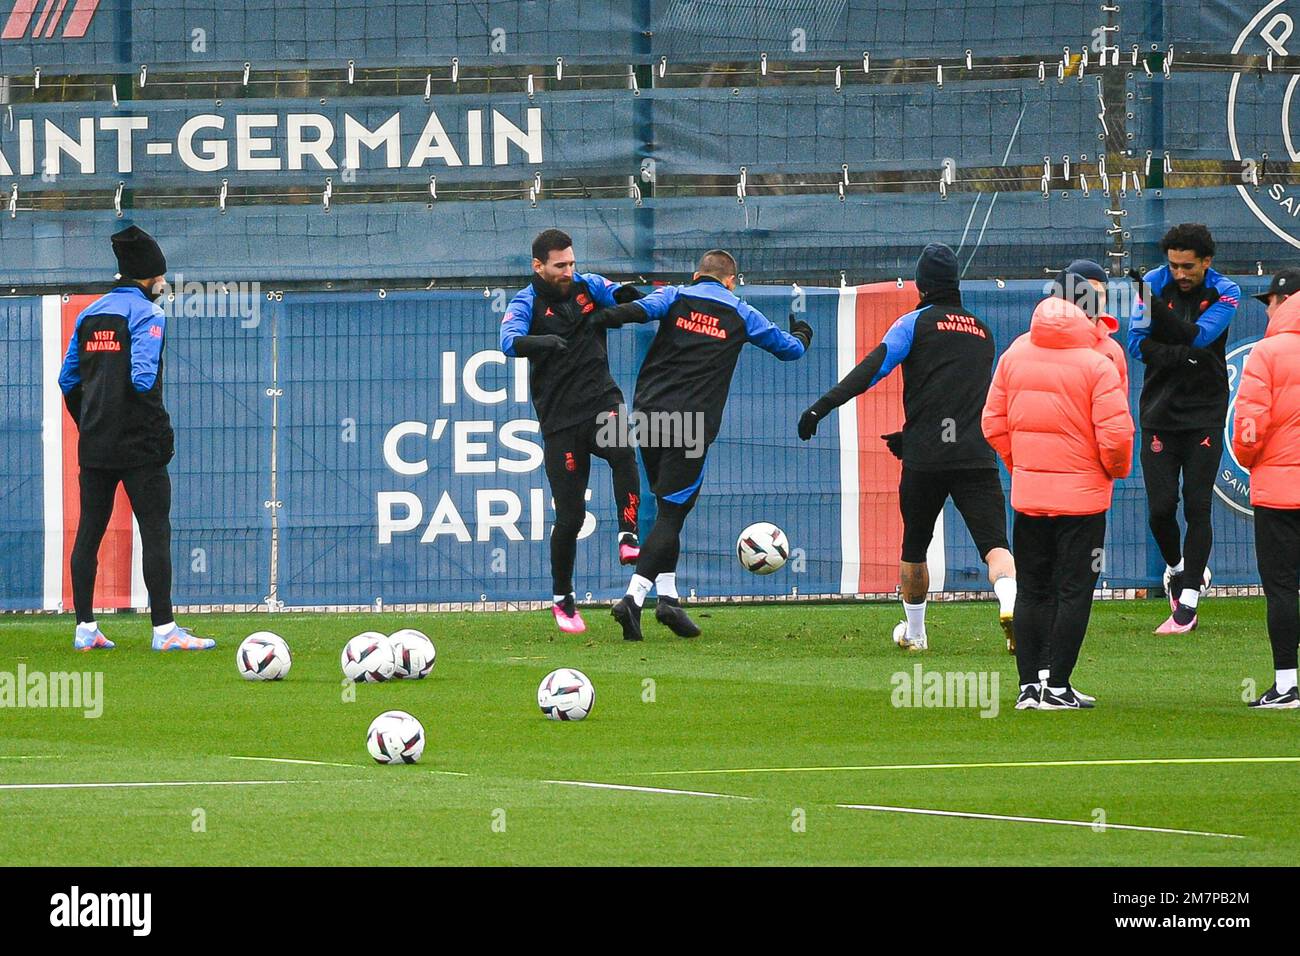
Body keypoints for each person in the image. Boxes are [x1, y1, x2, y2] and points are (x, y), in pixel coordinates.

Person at [797, 243, 1016, 652]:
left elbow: (871, 370)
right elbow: (962, 395)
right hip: (975, 454)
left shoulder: (913, 324)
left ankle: (915, 633)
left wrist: (820, 408)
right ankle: (1009, 601)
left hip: (926, 458)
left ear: (921, 284)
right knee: (996, 546)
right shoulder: (983, 332)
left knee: (915, 545)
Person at [592, 249, 812, 640]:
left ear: (697, 275)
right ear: (732, 280)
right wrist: (802, 332)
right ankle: (633, 598)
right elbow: (789, 350)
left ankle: (669, 601)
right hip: (692, 423)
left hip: (649, 413)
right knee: (673, 515)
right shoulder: (741, 312)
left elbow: (635, 312)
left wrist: (594, 318)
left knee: (665, 509)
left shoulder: (675, 296)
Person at [58, 225, 215, 651]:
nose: (164, 284)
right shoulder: (149, 314)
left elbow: (67, 378)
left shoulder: (90, 313)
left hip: (95, 445)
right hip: (140, 447)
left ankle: (85, 629)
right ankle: (164, 631)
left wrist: (90, 420)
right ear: (151, 277)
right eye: (162, 277)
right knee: (155, 531)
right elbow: (144, 380)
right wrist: (161, 434)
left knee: (89, 531)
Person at [983, 288, 1133, 709]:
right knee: (1074, 591)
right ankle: (1059, 686)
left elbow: (992, 423)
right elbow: (1117, 436)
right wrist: (1111, 471)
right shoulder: (1097, 363)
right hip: (1083, 501)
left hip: (1031, 498)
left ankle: (1030, 685)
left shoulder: (1015, 354)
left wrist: (1023, 467)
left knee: (1032, 590)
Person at [500, 229, 645, 634]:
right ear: (538, 267)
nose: (568, 271)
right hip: (560, 421)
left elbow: (620, 295)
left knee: (623, 454)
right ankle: (562, 598)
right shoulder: (526, 301)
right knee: (571, 517)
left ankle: (628, 535)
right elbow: (508, 341)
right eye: (559, 265)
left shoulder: (588, 286)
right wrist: (542, 342)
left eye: (571, 263)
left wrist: (630, 298)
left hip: (602, 400)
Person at [1127, 224, 1241, 634]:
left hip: (1205, 414)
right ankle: (1178, 570)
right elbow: (1136, 345)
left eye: (1188, 266)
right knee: (1160, 510)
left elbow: (1200, 336)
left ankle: (1188, 601)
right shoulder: (1154, 283)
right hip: (1159, 412)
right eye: (1173, 264)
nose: (1179, 273)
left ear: (1207, 262)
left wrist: (1158, 318)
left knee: (1197, 507)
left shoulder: (1228, 291)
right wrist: (1183, 354)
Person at [1230, 268, 1300, 708]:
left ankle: (1287, 684)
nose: (1267, 307)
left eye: (1270, 299)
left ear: (1286, 299)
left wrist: (1252, 461)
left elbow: (1249, 427)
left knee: (1281, 589)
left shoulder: (1268, 352)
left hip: (1278, 491)